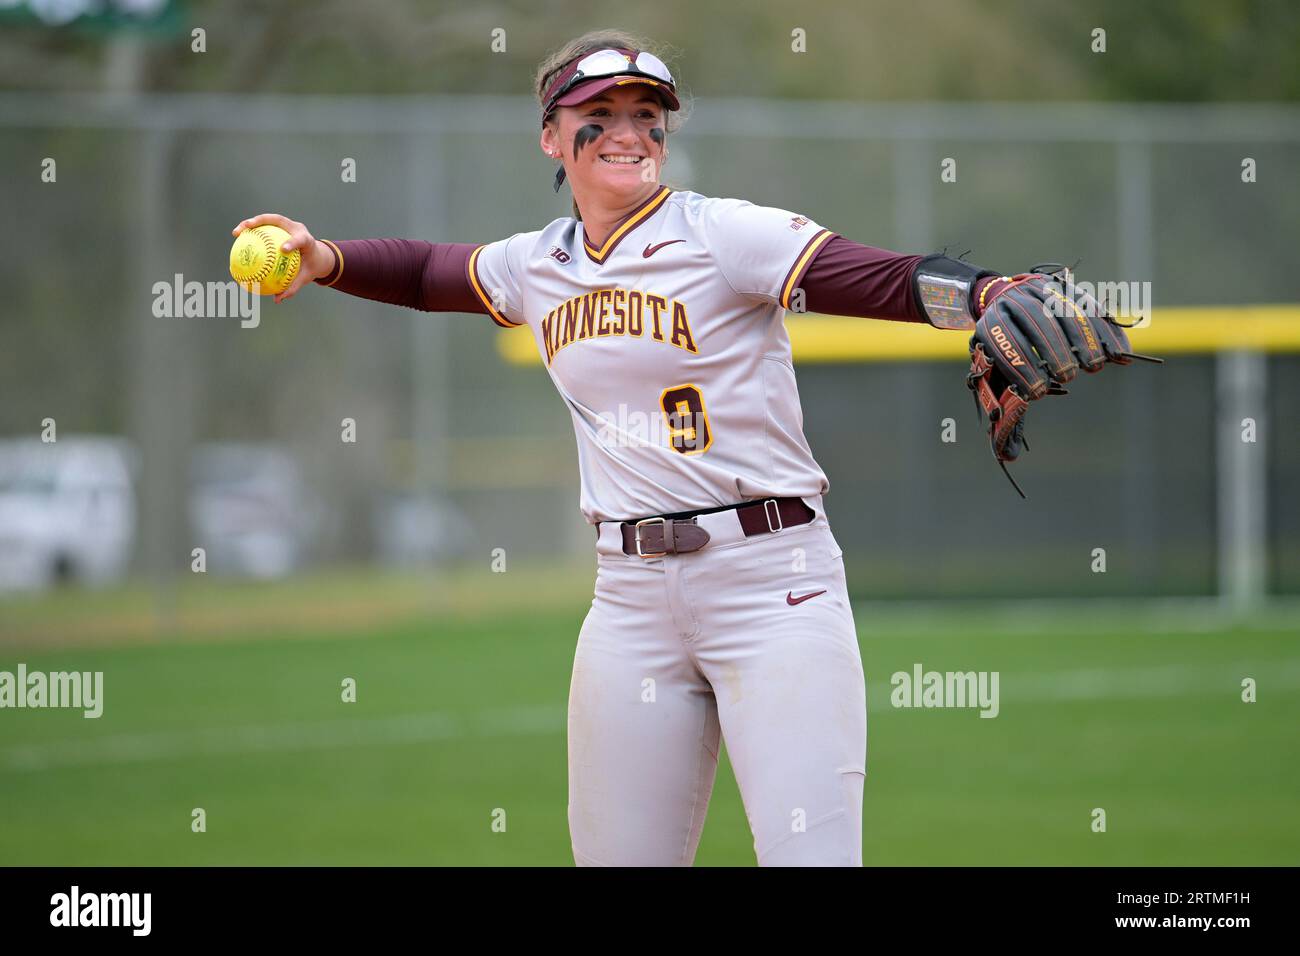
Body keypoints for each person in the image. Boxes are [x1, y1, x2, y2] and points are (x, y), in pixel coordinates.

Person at [232, 28, 1141, 866]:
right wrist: (324, 259)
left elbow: (872, 277)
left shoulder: (718, 232)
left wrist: (978, 294)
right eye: (600, 116)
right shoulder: (538, 265)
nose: (628, 132)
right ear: (551, 137)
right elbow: (434, 272)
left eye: (647, 116)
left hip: (773, 586)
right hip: (627, 605)